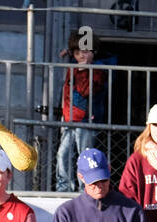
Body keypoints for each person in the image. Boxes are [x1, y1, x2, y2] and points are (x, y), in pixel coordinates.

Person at [54, 29, 109, 193]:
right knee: (62, 154)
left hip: (86, 120)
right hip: (69, 119)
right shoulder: (74, 67)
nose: (81, 56)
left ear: (94, 52)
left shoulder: (96, 71)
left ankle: (83, 188)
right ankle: (63, 187)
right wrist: (71, 55)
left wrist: (83, 70)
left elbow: (87, 91)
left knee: (84, 156)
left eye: (86, 52)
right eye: (77, 53)